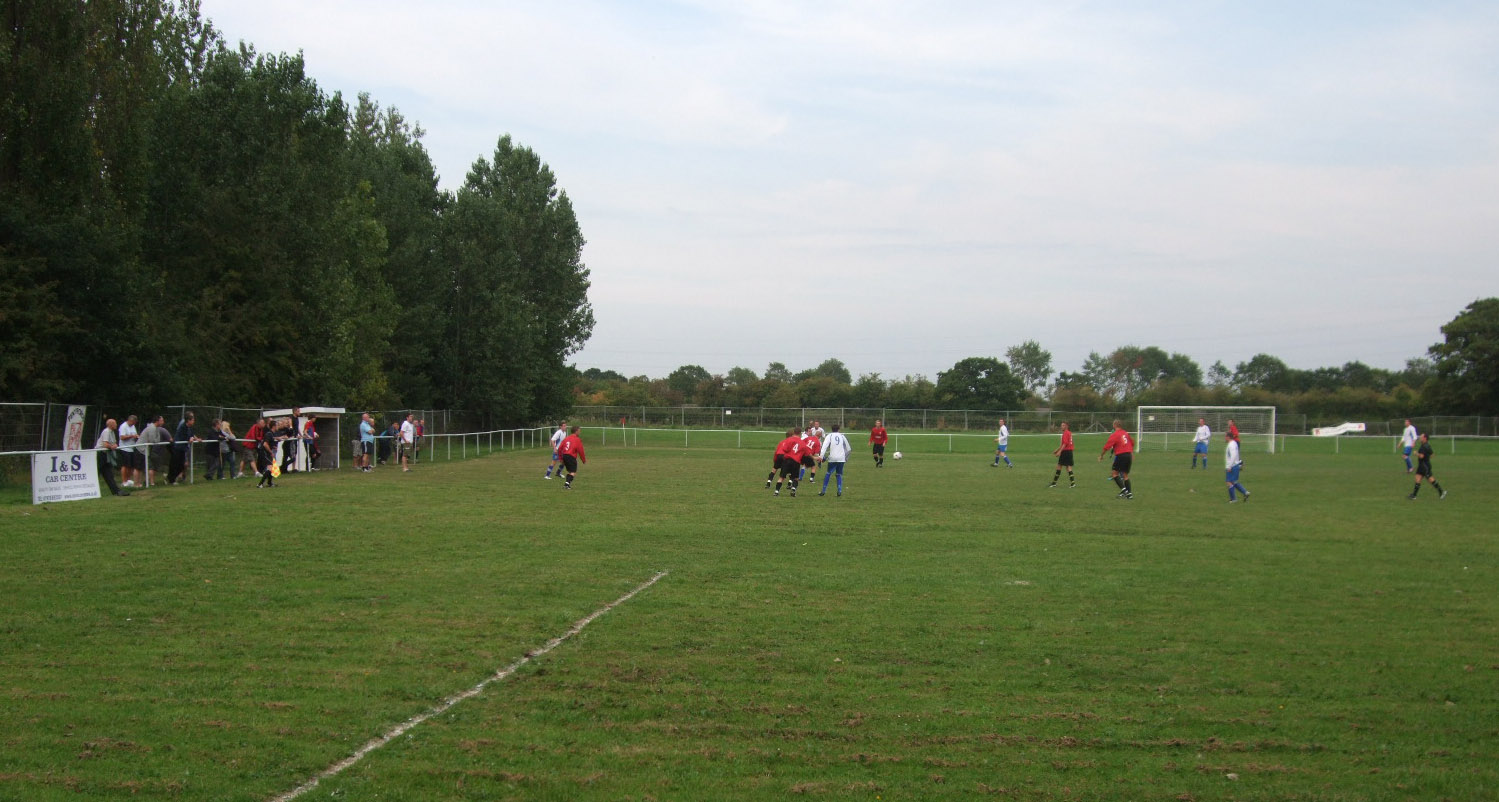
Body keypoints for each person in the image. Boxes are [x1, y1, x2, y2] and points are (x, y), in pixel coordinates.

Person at [1099, 419, 1135, 499]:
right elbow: (1132, 443)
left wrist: (1101, 455)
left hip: (1121, 455)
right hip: (1128, 455)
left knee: (1114, 474)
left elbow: (1106, 447)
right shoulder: (1125, 433)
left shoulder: (1115, 434)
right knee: (1125, 475)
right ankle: (1129, 494)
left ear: (1114, 425)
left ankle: (1125, 491)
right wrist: (1131, 453)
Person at [94, 418, 128, 496]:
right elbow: (105, 444)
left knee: (108, 473)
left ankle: (116, 491)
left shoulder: (112, 432)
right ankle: (91, 490)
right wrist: (112, 446)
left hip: (106, 454)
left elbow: (114, 443)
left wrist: (115, 445)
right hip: (100, 454)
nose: (116, 425)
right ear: (110, 424)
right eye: (115, 423)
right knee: (99, 472)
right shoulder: (106, 431)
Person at [1408, 432, 1447, 500]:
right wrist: (1427, 458)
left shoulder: (1424, 447)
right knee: (1417, 478)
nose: (1420, 438)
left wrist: (1416, 453)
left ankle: (1441, 492)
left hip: (1424, 466)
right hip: (1423, 465)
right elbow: (1432, 454)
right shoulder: (1427, 445)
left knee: (1430, 479)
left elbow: (1421, 456)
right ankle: (1414, 495)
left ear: (1425, 438)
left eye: (1421, 437)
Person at [819, 424, 852, 497]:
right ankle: (839, 490)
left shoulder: (829, 436)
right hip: (841, 458)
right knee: (839, 474)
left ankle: (823, 491)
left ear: (832, 429)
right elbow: (849, 448)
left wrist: (821, 457)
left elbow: (824, 447)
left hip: (832, 458)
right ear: (838, 429)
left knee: (828, 473)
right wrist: (845, 458)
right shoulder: (842, 436)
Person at [137, 414, 170, 487]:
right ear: (157, 421)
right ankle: (139, 483)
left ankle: (147, 482)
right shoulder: (152, 428)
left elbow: (156, 440)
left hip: (148, 450)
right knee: (141, 467)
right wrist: (155, 441)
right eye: (161, 420)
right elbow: (153, 440)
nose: (162, 422)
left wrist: (155, 441)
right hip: (141, 449)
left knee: (149, 466)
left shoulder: (157, 428)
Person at [774, 428, 806, 496]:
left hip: (787, 460)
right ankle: (793, 490)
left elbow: (785, 449)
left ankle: (776, 492)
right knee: (796, 477)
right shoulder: (802, 442)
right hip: (796, 461)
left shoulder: (789, 439)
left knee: (781, 477)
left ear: (794, 432)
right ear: (800, 433)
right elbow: (804, 453)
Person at [1049, 422, 1076, 488]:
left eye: (1063, 425)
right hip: (1069, 452)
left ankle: (1054, 483)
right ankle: (1073, 484)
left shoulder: (1066, 433)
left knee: (1059, 466)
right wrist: (1057, 450)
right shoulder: (1069, 433)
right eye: (1061, 425)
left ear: (1067, 426)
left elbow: (1065, 444)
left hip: (1065, 452)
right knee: (1068, 467)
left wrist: (1059, 452)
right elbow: (1063, 443)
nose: (1062, 426)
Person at [1225, 432, 1250, 503]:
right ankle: (1245, 492)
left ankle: (1233, 499)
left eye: (1225, 436)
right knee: (1234, 482)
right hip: (1235, 465)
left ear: (1228, 437)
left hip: (1232, 466)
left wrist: (1229, 466)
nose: (1225, 438)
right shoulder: (1234, 443)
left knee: (1229, 482)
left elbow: (1233, 456)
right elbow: (1236, 455)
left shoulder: (1231, 445)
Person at [118, 414, 140, 487]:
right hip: (124, 448)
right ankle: (124, 481)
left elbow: (135, 434)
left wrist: (136, 436)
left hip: (132, 448)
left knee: (131, 465)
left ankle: (128, 480)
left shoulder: (133, 426)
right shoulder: (123, 426)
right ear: (130, 420)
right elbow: (122, 437)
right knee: (125, 465)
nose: (134, 424)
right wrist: (131, 436)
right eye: (133, 422)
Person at [256, 419, 278, 488]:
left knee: (272, 467)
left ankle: (269, 483)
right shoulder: (269, 434)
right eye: (277, 425)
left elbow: (269, 443)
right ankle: (260, 484)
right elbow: (265, 444)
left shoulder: (272, 434)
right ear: (274, 426)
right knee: (270, 467)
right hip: (264, 452)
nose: (278, 427)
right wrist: (271, 452)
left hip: (267, 452)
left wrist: (273, 447)